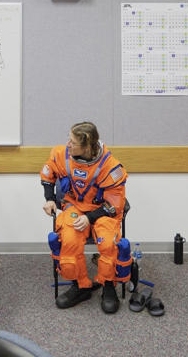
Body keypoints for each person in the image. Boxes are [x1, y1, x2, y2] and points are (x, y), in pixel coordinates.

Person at [41, 122, 130, 313]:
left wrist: (89, 218)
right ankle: (80, 286)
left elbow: (114, 204)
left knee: (108, 242)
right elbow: (48, 173)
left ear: (87, 147)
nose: (68, 145)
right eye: (69, 140)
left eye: (73, 142)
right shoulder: (61, 155)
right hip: (74, 206)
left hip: (103, 211)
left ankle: (108, 286)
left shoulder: (110, 166)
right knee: (69, 238)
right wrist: (49, 199)